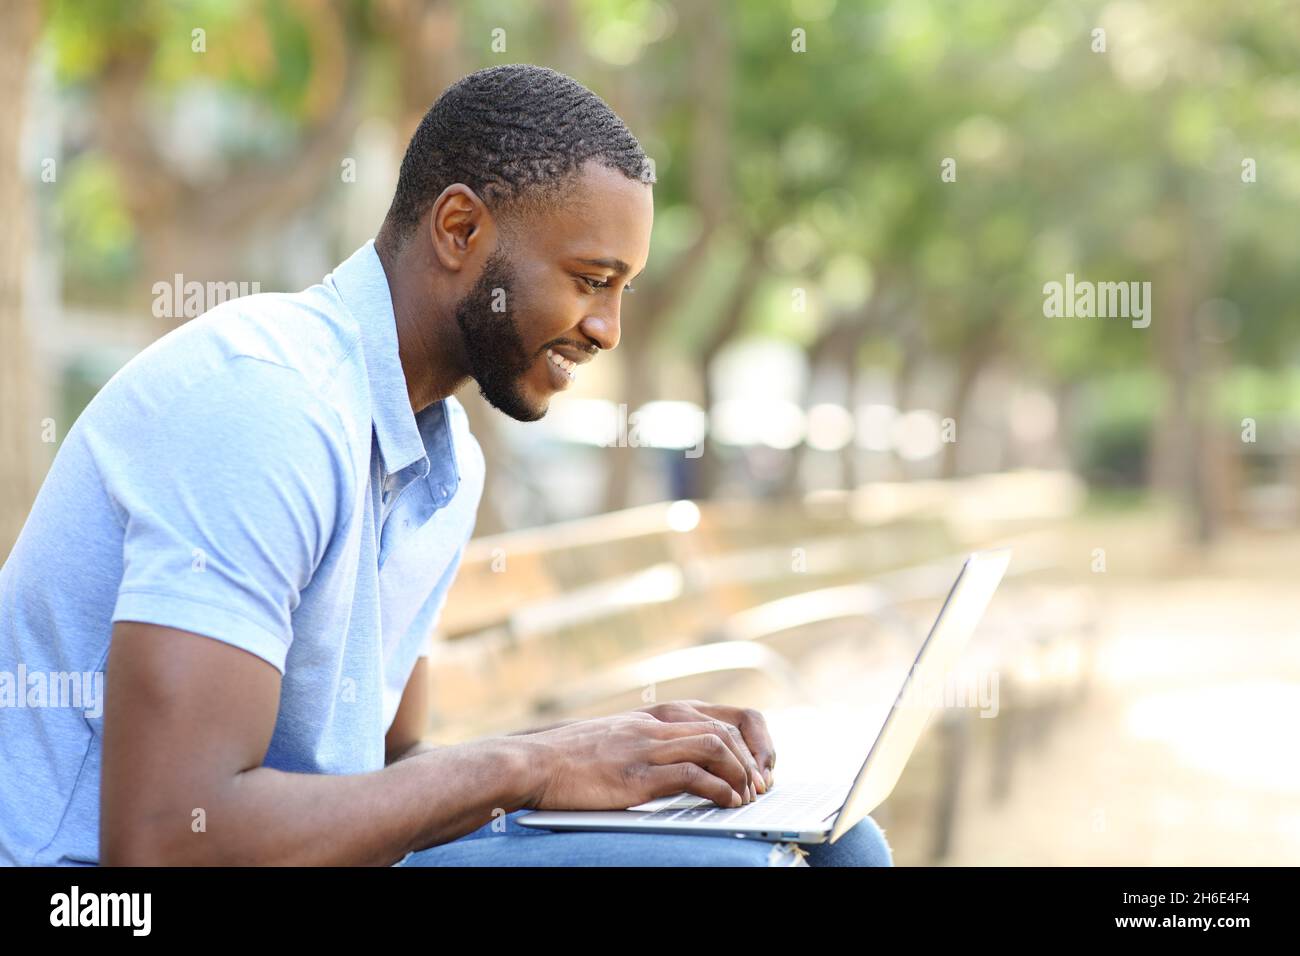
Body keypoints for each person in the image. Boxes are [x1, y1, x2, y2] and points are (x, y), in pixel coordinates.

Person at [0, 64, 892, 867]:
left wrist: (610, 751)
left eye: (624, 290)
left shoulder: (439, 455)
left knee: (837, 839)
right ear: (460, 229)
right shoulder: (267, 406)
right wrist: (533, 763)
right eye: (589, 279)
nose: (608, 329)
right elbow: (162, 843)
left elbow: (394, 764)